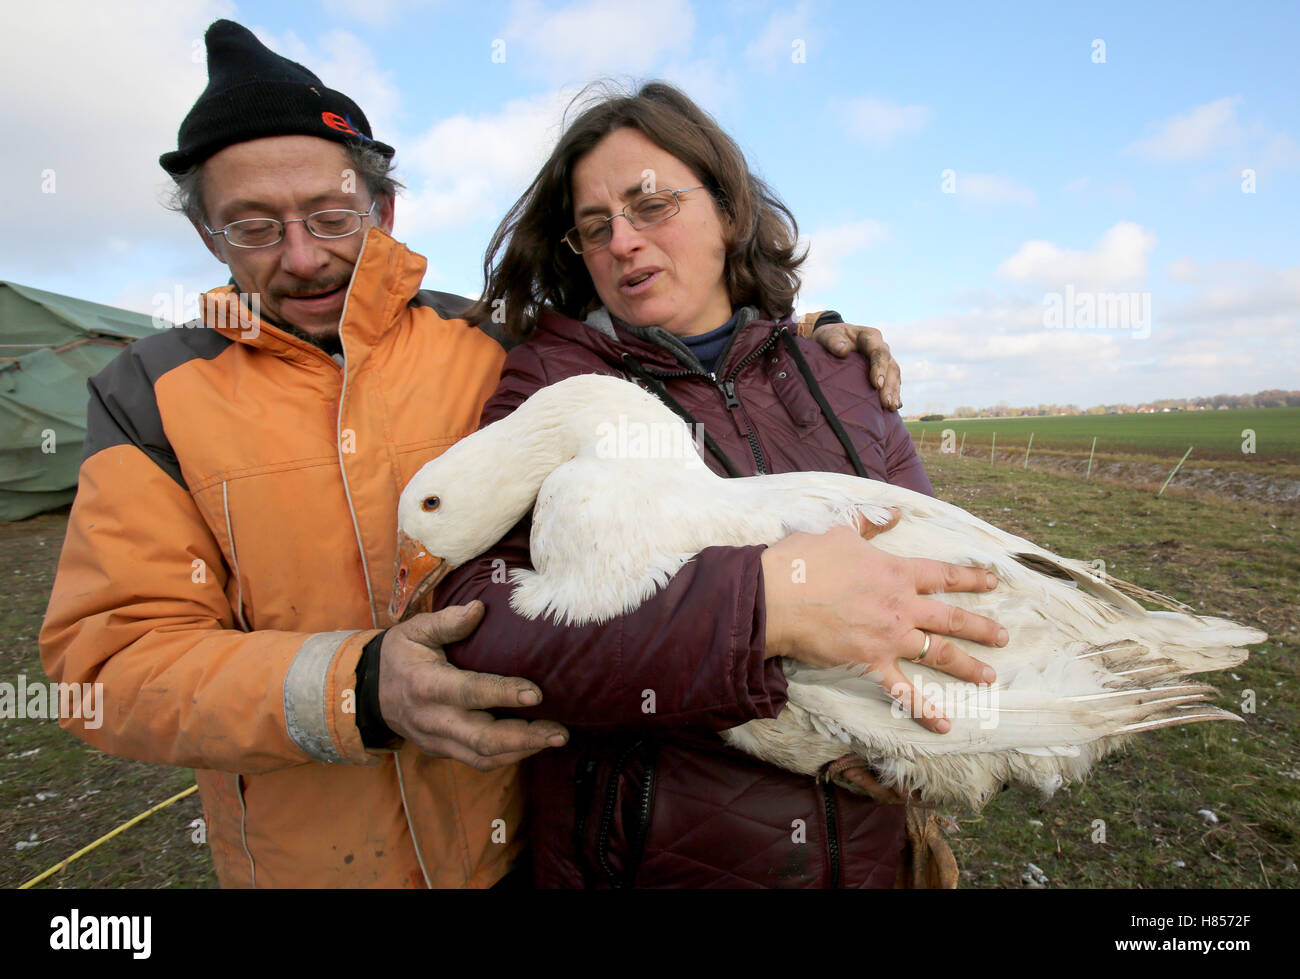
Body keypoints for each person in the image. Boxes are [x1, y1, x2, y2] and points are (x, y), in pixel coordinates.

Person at [37, 22, 901, 888]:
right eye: (253, 228)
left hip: (520, 854)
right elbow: (108, 664)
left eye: (332, 217)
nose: (302, 257)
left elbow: (658, 337)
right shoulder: (147, 393)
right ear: (205, 235)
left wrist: (812, 335)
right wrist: (358, 689)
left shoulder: (491, 347)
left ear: (383, 208)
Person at [424, 82, 1009, 888]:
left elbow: (947, 579)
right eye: (596, 227)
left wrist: (950, 749)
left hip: (867, 857)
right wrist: (766, 607)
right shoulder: (551, 387)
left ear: (731, 211)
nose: (622, 241)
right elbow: (487, 628)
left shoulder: (837, 370)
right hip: (650, 862)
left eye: (651, 204)